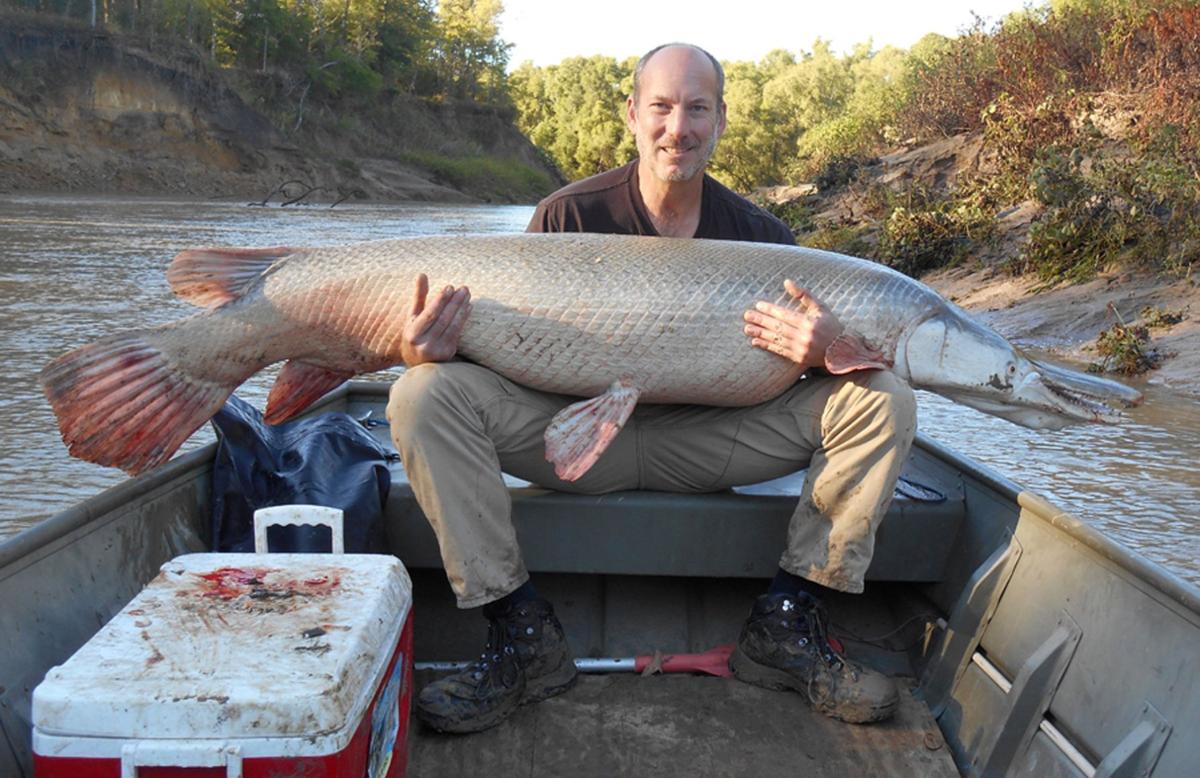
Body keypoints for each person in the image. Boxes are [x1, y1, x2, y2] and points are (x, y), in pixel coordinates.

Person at [386, 42, 917, 733]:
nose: (678, 128)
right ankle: (521, 635)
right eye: (662, 107)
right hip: (569, 436)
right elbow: (492, 361)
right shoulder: (564, 217)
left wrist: (827, 353)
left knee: (886, 395)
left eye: (697, 109)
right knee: (421, 393)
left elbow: (807, 375)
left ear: (721, 120)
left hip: (714, 442)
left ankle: (784, 625)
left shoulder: (764, 239)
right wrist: (417, 348)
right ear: (633, 114)